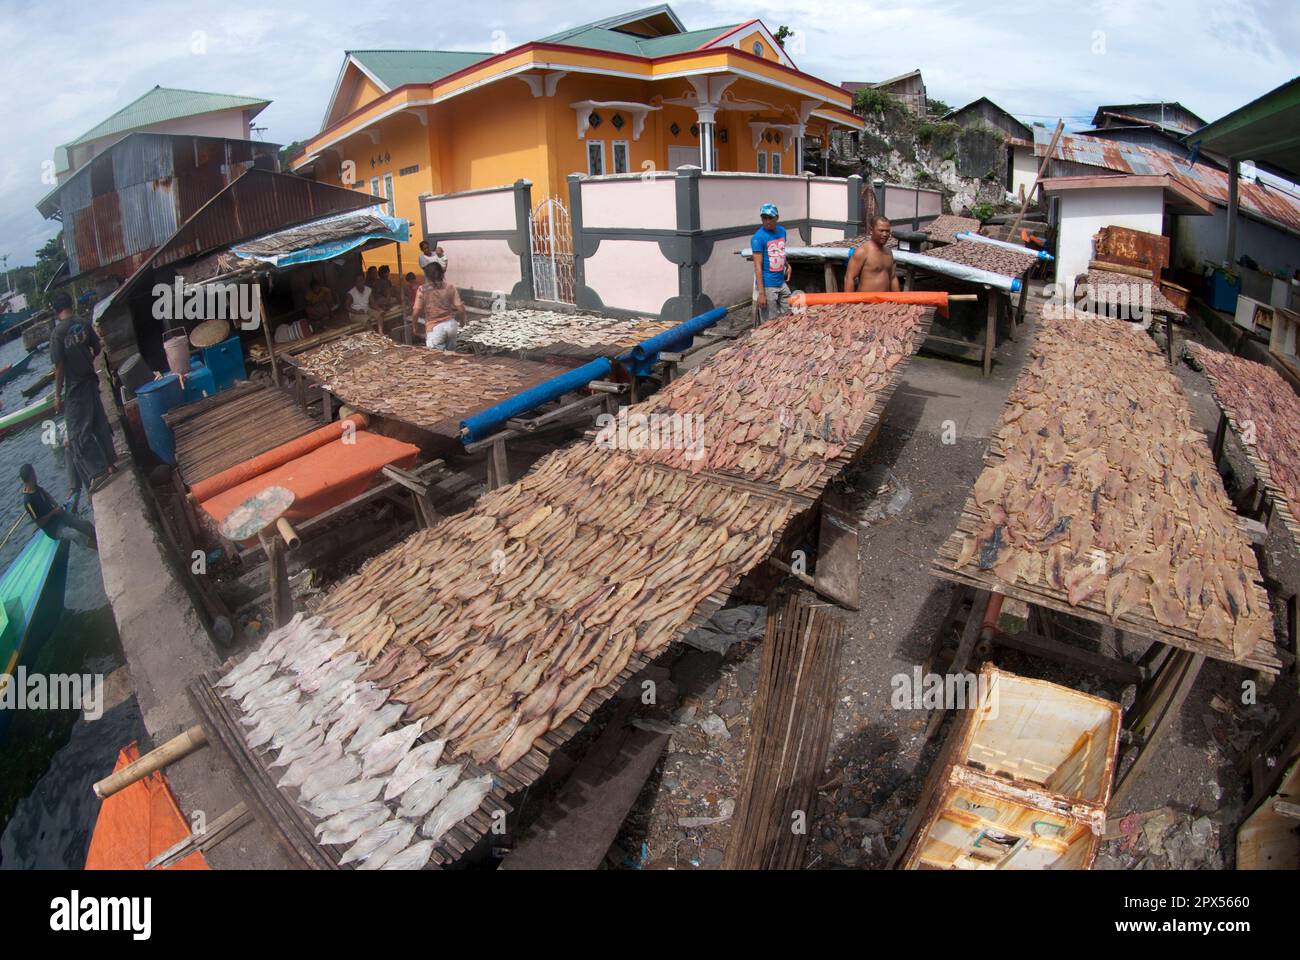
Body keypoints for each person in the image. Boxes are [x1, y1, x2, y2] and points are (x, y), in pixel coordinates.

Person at [49, 291, 118, 492]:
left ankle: (98, 471)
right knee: (99, 423)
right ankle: (111, 464)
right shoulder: (84, 323)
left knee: (77, 433)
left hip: (75, 388)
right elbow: (97, 348)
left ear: (56, 311)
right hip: (90, 381)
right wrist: (85, 357)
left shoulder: (58, 334)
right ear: (71, 305)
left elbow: (59, 367)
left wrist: (56, 395)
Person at [20, 463, 96, 550]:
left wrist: (56, 506)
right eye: (33, 473)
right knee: (76, 535)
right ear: (30, 476)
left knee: (85, 525)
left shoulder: (36, 487)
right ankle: (98, 547)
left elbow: (46, 495)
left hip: (59, 515)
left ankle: (97, 537)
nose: (36, 476)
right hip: (53, 528)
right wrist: (53, 512)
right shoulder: (28, 501)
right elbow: (40, 523)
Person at [750, 203, 792, 322]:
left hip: (781, 281)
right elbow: (757, 266)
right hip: (768, 285)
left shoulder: (782, 231)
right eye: (764, 218)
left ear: (777, 218)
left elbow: (780, 251)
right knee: (770, 322)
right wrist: (761, 293)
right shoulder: (758, 238)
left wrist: (787, 265)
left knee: (789, 314)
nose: (767, 221)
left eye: (770, 218)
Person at [412, 261, 465, 350]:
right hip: (451, 326)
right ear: (442, 273)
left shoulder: (422, 290)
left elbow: (415, 313)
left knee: (437, 360)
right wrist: (462, 322)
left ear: (427, 275)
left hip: (434, 329)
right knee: (451, 357)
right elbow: (461, 308)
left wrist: (415, 328)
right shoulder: (450, 287)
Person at [845, 216, 900, 293]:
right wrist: (849, 303)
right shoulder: (862, 251)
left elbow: (893, 278)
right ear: (871, 230)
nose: (885, 234)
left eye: (887, 231)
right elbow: (849, 278)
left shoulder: (888, 252)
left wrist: (898, 300)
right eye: (881, 231)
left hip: (885, 302)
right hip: (865, 302)